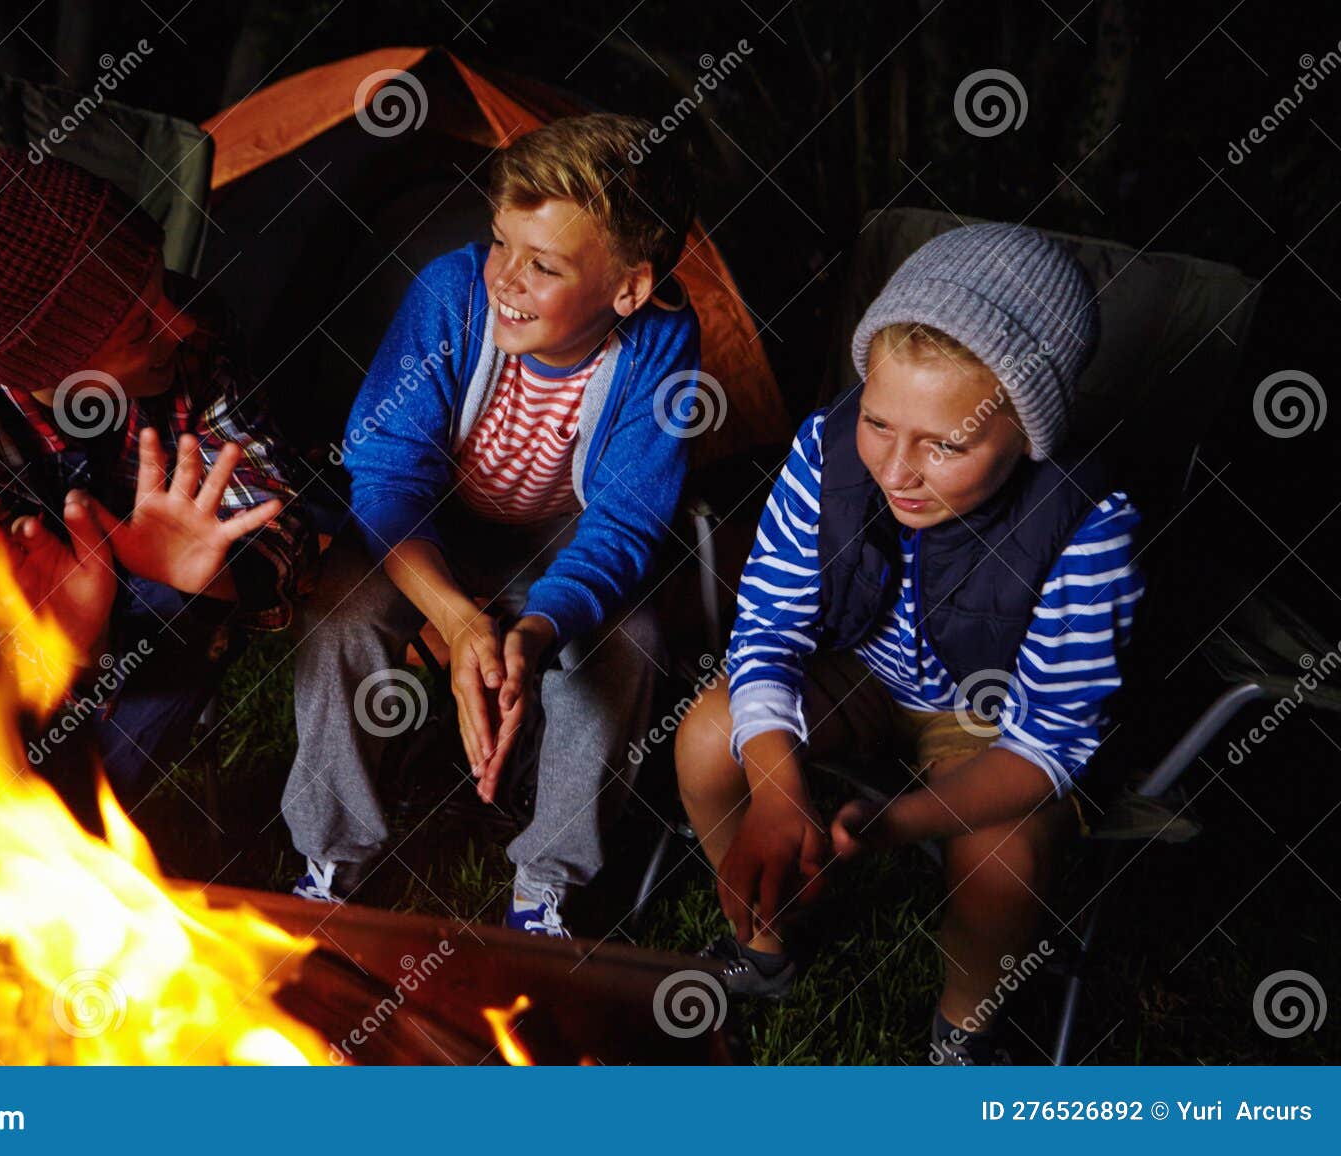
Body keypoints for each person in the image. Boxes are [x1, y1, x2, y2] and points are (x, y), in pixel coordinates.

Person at [674, 223, 1145, 1062]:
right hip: (860, 673)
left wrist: (896, 822)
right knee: (709, 732)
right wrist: (779, 793)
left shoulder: (1086, 525)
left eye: (948, 445)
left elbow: (1050, 743)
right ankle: (764, 943)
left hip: (989, 725)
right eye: (882, 424)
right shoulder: (826, 450)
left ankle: (962, 1029)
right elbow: (770, 630)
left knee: (1003, 854)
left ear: (1028, 434)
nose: (897, 471)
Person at [282, 113, 700, 937]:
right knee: (339, 613)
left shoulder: (660, 343)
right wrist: (453, 617)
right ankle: (332, 860)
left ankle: (545, 886)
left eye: (542, 265)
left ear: (628, 289)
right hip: (429, 524)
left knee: (630, 642)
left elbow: (625, 519)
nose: (505, 278)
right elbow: (389, 468)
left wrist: (538, 628)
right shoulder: (452, 293)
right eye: (502, 242)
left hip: (556, 540)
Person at [0, 139, 315, 813]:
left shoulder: (196, 339)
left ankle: (85, 834)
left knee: (184, 606)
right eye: (139, 329)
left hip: (145, 561)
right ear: (46, 370)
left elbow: (271, 507)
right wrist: (71, 644)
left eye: (160, 284)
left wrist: (207, 577)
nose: (180, 322)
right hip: (6, 573)